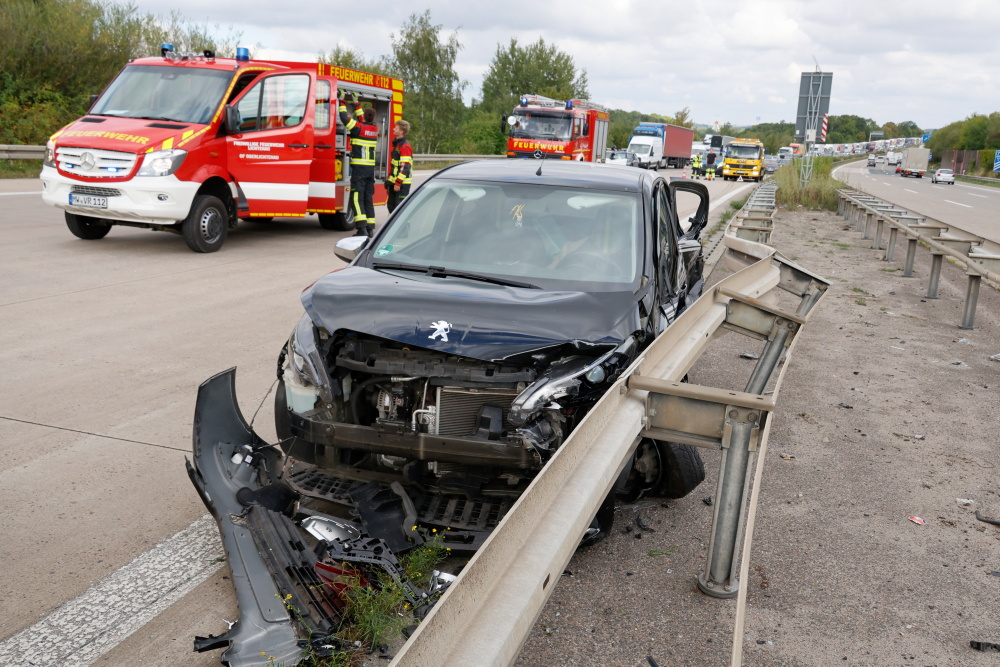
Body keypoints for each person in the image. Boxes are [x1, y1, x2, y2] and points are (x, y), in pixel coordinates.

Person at [339, 91, 379, 237]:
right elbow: (363, 119)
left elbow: (344, 118)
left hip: (359, 170)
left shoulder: (358, 128)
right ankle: (369, 229)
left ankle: (361, 229)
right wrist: (356, 104)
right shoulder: (373, 129)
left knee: (356, 198)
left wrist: (342, 100)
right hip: (370, 171)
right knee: (368, 199)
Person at [386, 119, 413, 214]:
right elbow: (395, 166)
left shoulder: (405, 146)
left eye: (396, 128)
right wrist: (390, 180)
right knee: (391, 207)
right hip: (396, 184)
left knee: (399, 210)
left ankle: (404, 228)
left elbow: (405, 167)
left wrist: (398, 183)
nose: (393, 129)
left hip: (402, 185)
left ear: (401, 132)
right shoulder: (398, 145)